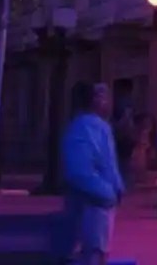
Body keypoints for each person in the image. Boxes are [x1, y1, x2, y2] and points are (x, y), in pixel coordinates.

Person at [62, 81, 124, 265]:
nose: (108, 102)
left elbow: (108, 163)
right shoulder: (85, 127)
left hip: (99, 202)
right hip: (93, 203)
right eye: (103, 96)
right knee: (92, 251)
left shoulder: (96, 126)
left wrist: (116, 187)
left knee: (98, 251)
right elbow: (80, 171)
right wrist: (107, 192)